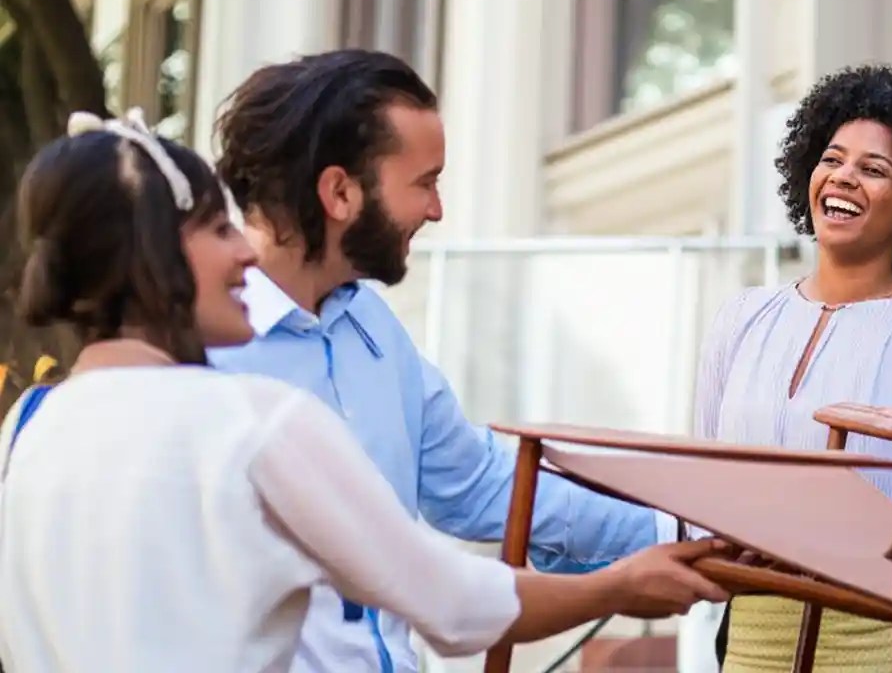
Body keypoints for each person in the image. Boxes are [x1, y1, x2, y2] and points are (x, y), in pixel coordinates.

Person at [0, 110, 729, 673]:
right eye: (218, 228)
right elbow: (452, 603)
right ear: (154, 250)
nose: (244, 250)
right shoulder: (256, 422)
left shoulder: (24, 429)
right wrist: (617, 587)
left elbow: (478, 481)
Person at [206, 49, 680, 671]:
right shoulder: (201, 359)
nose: (436, 210)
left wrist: (676, 532)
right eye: (425, 183)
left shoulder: (372, 325)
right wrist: (617, 584)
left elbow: (478, 481)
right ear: (339, 192)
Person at [692, 64, 892, 672]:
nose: (844, 176)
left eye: (874, 169)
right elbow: (705, 483)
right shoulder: (741, 317)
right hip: (754, 637)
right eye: (832, 159)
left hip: (889, 635)